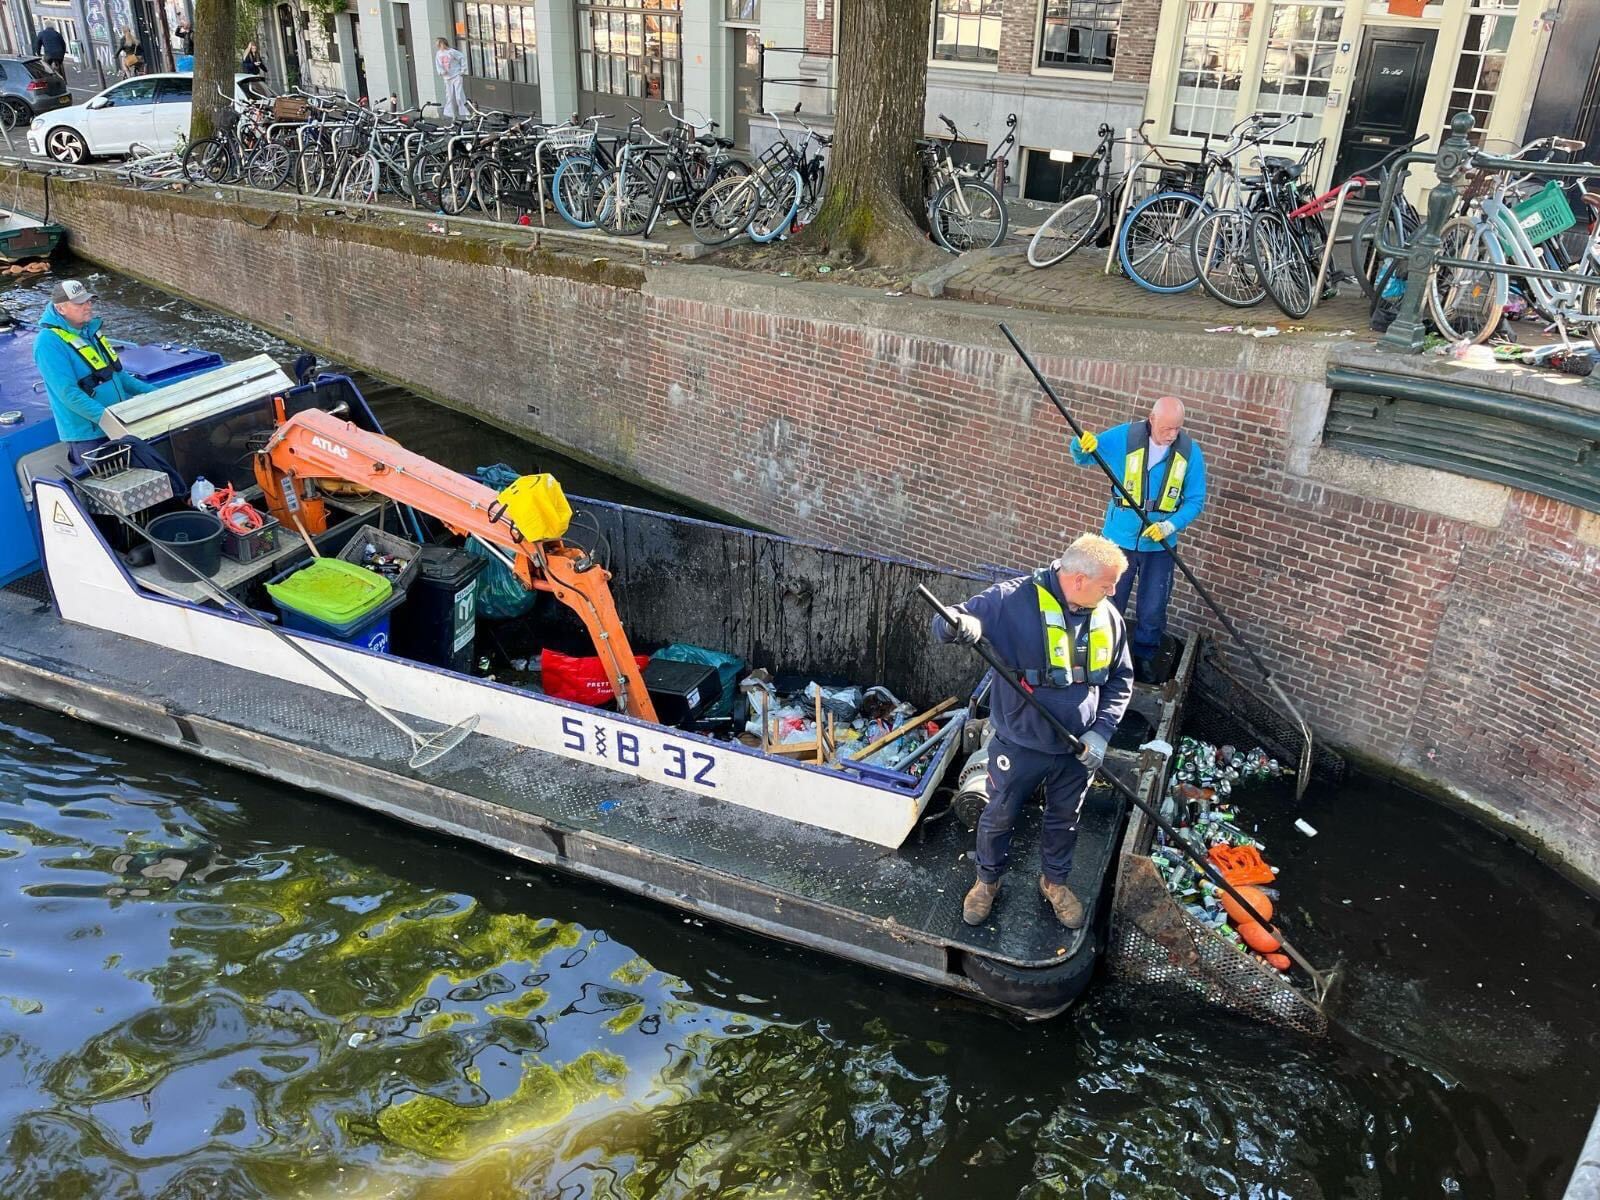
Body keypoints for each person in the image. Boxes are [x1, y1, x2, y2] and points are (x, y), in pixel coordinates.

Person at [934, 534, 1134, 929]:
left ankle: (1054, 882)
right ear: (1079, 579)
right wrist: (962, 624)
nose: (1113, 592)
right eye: (1107, 584)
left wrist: (1102, 731)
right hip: (1020, 744)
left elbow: (1120, 679)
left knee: (1065, 819)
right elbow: (943, 622)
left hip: (1077, 750)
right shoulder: (1011, 599)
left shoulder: (1108, 617)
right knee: (999, 814)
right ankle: (987, 881)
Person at [1069, 396, 1207, 683]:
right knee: (1107, 598)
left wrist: (1169, 526)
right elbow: (1084, 457)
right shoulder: (1125, 437)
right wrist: (1080, 445)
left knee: (1153, 605)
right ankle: (1102, 653)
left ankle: (1144, 656)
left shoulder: (1189, 453)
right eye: (1167, 428)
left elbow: (1195, 500)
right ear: (1151, 419)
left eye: (1177, 428)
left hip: (1160, 545)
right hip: (1118, 539)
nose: (1172, 435)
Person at [33, 281, 157, 464]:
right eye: (79, 303)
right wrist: (109, 420)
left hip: (117, 425)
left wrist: (157, 394)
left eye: (89, 301)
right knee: (103, 480)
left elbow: (117, 375)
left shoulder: (89, 332)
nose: (88, 306)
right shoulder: (48, 343)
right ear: (60, 309)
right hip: (89, 436)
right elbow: (68, 394)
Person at [434, 37, 466, 121]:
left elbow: (461, 57)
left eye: (440, 44)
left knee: (459, 95)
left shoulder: (452, 52)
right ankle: (452, 115)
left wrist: (462, 70)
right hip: (447, 77)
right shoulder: (438, 54)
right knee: (450, 96)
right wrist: (441, 71)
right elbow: (438, 65)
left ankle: (464, 112)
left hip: (456, 75)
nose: (440, 46)